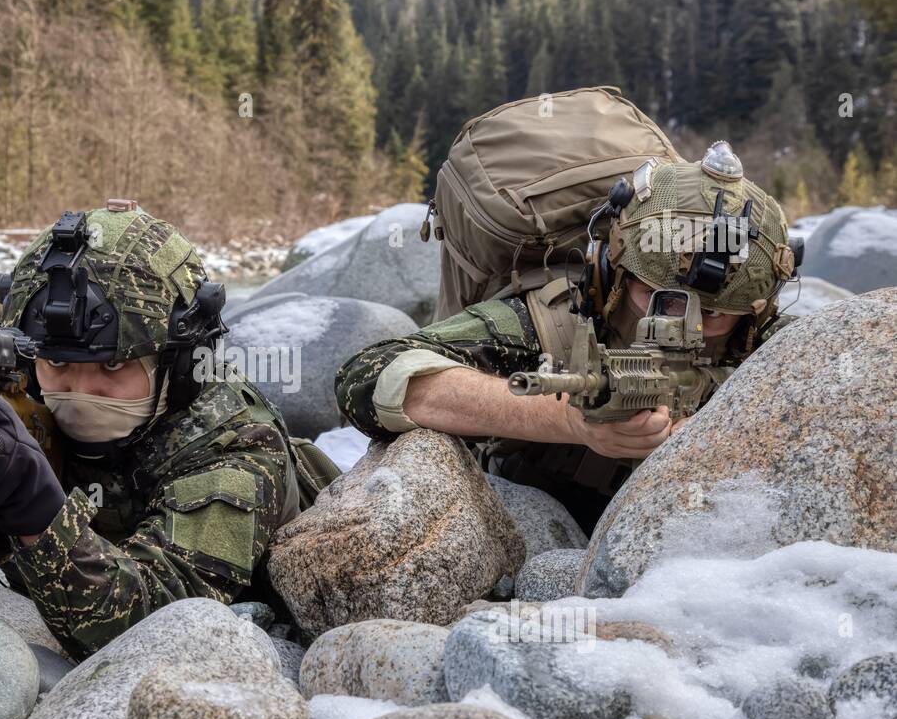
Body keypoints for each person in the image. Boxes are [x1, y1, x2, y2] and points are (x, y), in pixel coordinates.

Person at [0, 203, 315, 659]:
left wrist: (34, 512)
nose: (80, 392)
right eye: (58, 363)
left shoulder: (235, 444)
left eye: (113, 365)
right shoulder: (19, 398)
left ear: (181, 364)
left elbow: (159, 629)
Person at [335, 144, 802, 534]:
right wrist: (566, 419)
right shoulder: (554, 319)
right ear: (609, 268)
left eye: (718, 315)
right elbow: (366, 376)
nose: (686, 325)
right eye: (659, 298)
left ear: (757, 315)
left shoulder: (776, 348)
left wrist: (727, 440)